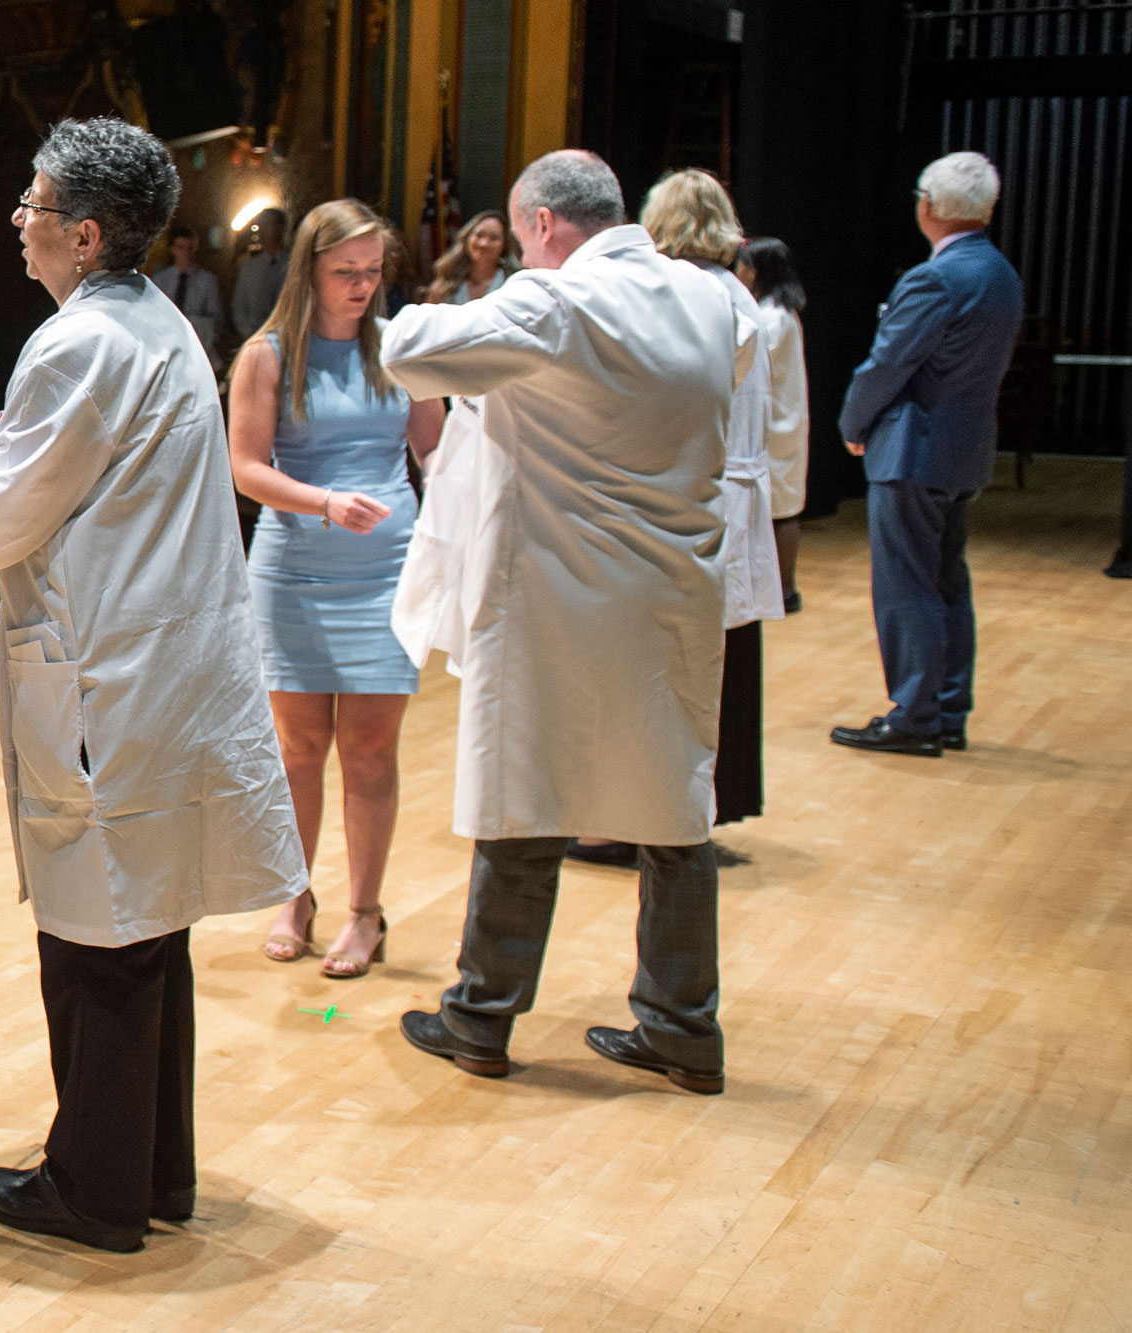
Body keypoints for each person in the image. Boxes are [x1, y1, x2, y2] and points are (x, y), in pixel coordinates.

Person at [0, 117, 306, 1253]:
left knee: (96, 944)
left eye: (31, 206)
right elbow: (77, 480)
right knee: (149, 934)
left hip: (108, 682)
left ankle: (90, 1191)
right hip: (160, 671)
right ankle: (153, 1172)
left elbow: (8, 526)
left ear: (83, 234)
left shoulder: (74, 345)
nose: (16, 222)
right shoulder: (156, 325)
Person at [380, 149, 750, 1095]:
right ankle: (683, 1026)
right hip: (673, 592)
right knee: (676, 810)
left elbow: (410, 347)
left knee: (524, 794)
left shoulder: (557, 305)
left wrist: (497, 307)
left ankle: (480, 1015)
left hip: (556, 592)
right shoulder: (710, 297)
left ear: (542, 225)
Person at [227, 198, 444, 978]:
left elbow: (438, 452)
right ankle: (296, 895)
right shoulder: (267, 353)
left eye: (373, 272)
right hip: (293, 572)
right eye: (345, 272)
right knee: (298, 748)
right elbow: (244, 467)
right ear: (310, 271)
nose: (361, 286)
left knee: (372, 750)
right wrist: (323, 501)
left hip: (387, 574)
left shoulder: (402, 349)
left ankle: (365, 912)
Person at [833, 151, 1023, 757]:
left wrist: (852, 422)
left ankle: (913, 715)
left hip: (912, 450)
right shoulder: (1001, 274)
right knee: (946, 583)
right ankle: (946, 710)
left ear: (928, 207)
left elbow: (887, 363)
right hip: (965, 449)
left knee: (906, 585)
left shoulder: (933, 278)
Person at [641, 169, 782, 832]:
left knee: (684, 666)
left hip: (697, 497)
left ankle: (669, 809)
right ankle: (709, 802)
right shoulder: (736, 293)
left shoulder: (688, 295)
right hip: (732, 496)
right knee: (721, 660)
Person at [737, 236, 809, 612]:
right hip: (784, 420)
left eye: (746, 264)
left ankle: (784, 589)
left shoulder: (772, 318)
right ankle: (782, 588)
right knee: (783, 505)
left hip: (778, 425)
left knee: (782, 509)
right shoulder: (780, 312)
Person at [150, 225, 225, 371]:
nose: (185, 252)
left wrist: (190, 324)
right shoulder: (160, 280)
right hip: (166, 347)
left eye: (190, 247)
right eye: (180, 247)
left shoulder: (207, 281)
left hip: (197, 347)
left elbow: (216, 320)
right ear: (172, 249)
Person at [424, 209, 515, 305]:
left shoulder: (512, 284)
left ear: (505, 244)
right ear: (467, 237)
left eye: (494, 238)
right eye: (479, 235)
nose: (483, 244)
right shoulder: (443, 286)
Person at [232, 207, 289, 338]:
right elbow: (239, 306)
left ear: (281, 229)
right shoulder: (249, 268)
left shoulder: (293, 265)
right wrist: (249, 333)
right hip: (256, 335)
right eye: (260, 226)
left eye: (267, 225)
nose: (261, 231)